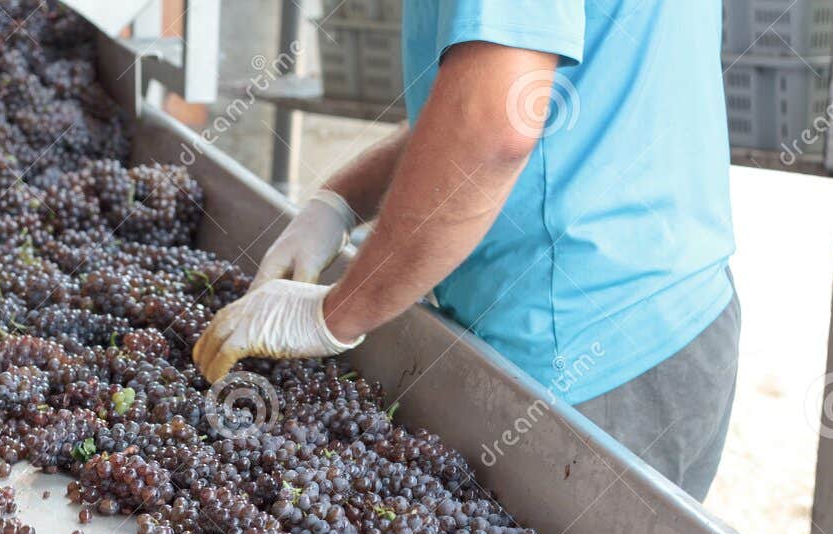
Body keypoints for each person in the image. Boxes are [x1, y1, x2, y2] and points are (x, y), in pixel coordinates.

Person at [193, 1, 738, 500]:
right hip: (676, 309)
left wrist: (334, 314)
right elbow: (500, 96)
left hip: (586, 356)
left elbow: (492, 126)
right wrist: (339, 203)